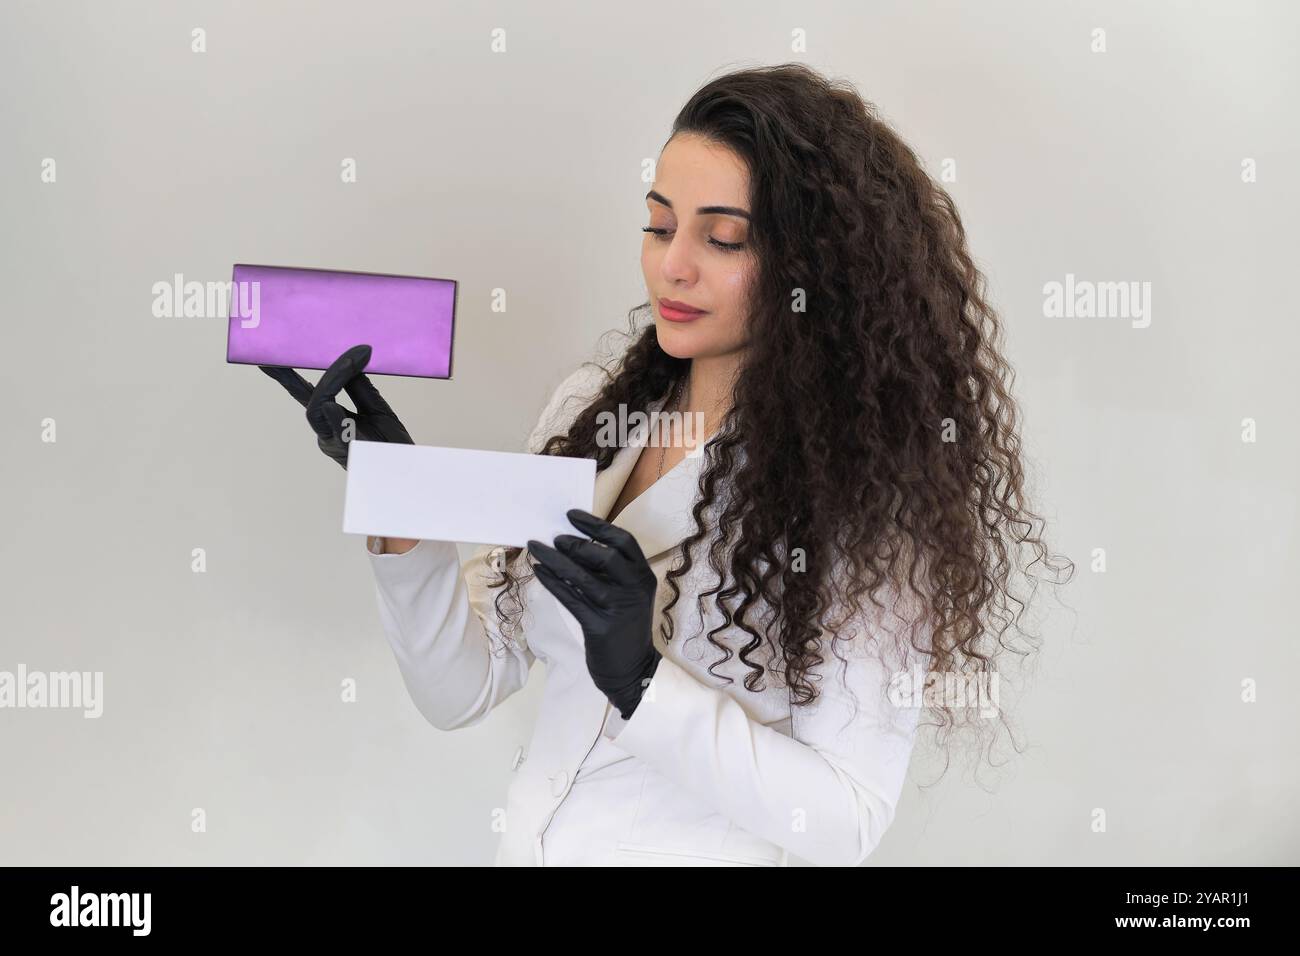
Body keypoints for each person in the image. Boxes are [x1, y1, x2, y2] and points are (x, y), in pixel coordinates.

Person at [262, 63, 1069, 866]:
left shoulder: (862, 498)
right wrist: (403, 506)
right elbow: (459, 690)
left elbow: (846, 819)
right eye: (658, 225)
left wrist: (644, 681)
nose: (672, 266)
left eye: (723, 239)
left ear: (814, 270)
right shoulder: (593, 415)